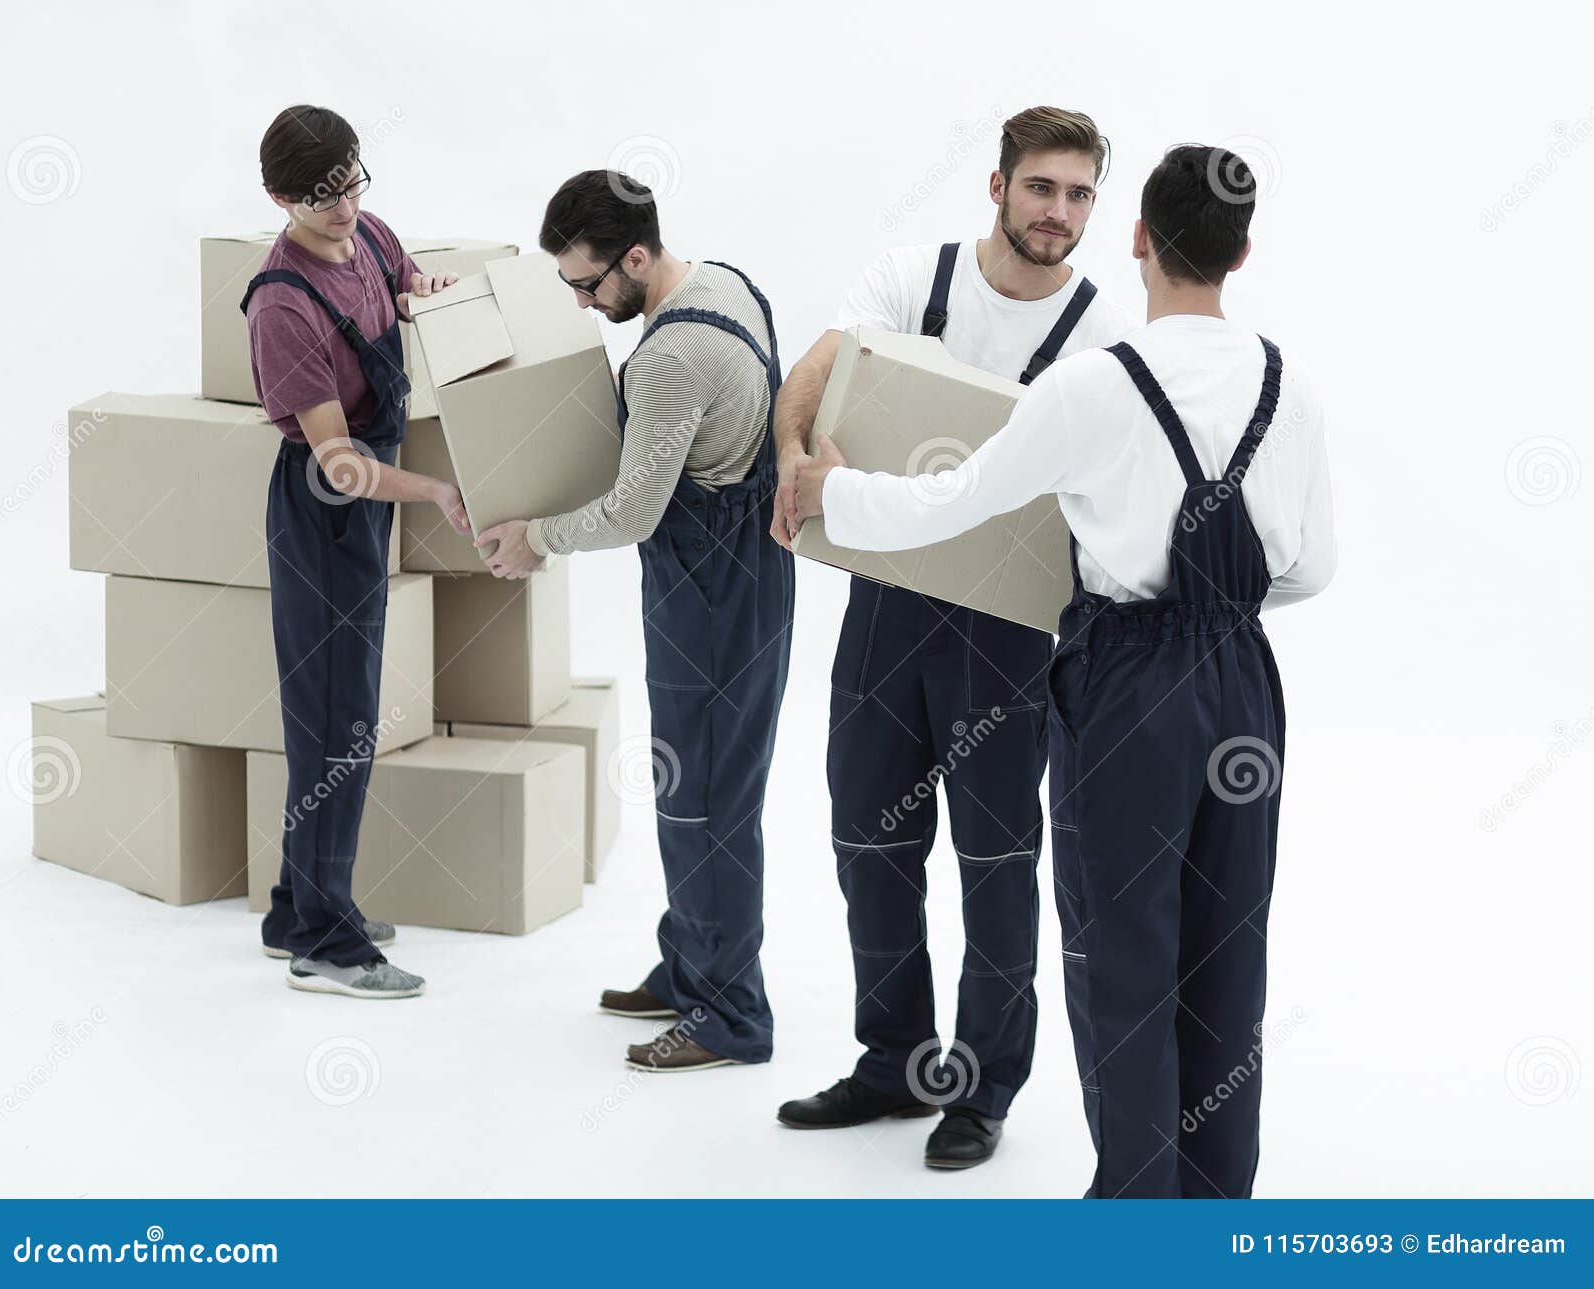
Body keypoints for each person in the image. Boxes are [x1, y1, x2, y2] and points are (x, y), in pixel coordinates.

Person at [793, 143, 1337, 1197]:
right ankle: (1215, 1209)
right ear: (1242, 253)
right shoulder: (1291, 380)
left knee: (1120, 952)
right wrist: (1212, 612)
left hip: (1126, 684)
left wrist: (836, 494)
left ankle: (1134, 1210)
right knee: (1228, 951)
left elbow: (957, 500)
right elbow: (1312, 570)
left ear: (1136, 237)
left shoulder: (1098, 381)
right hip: (1242, 681)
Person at [769, 107, 1133, 1169]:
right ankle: (892, 1060)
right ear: (998, 186)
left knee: (995, 860)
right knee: (868, 842)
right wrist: (793, 456)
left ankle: (980, 1086)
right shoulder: (911, 280)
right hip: (885, 605)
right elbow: (821, 365)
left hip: (1009, 631)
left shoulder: (1103, 336)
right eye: (1040, 187)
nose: (1057, 211)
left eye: (1078, 194)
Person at [475, 171, 794, 1073]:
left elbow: (631, 510)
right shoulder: (729, 282)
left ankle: (731, 1013)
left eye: (589, 283)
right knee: (694, 787)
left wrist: (536, 537)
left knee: (708, 802)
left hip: (712, 594)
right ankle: (693, 964)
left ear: (639, 259)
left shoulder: (666, 360)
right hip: (744, 576)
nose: (583, 303)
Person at [242, 104, 471, 999]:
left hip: (368, 503)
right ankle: (327, 945)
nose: (343, 207)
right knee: (337, 723)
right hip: (324, 511)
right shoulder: (281, 303)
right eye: (321, 196)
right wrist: (436, 492)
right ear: (279, 198)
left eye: (351, 181)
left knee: (342, 712)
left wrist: (433, 294)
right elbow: (338, 462)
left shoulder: (370, 236)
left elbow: (404, 285)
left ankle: (294, 907)